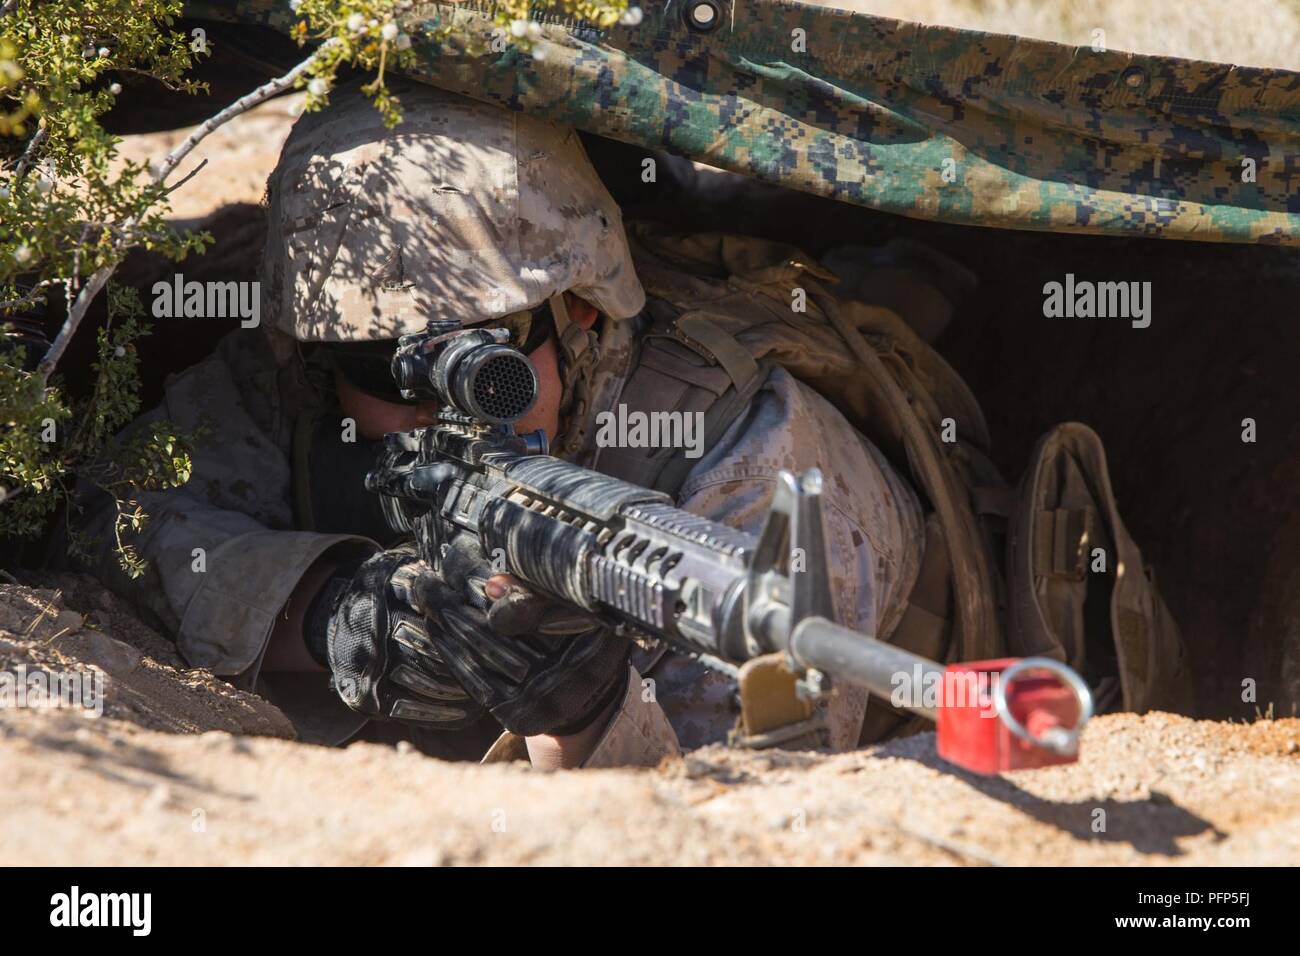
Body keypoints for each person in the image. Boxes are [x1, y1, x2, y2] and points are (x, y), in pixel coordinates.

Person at [81, 80, 1186, 768]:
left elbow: (763, 804)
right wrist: (332, 608)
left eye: (493, 355)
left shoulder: (751, 455)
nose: (435, 402)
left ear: (574, 311)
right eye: (386, 370)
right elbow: (119, 525)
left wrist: (595, 710)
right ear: (320, 360)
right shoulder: (301, 372)